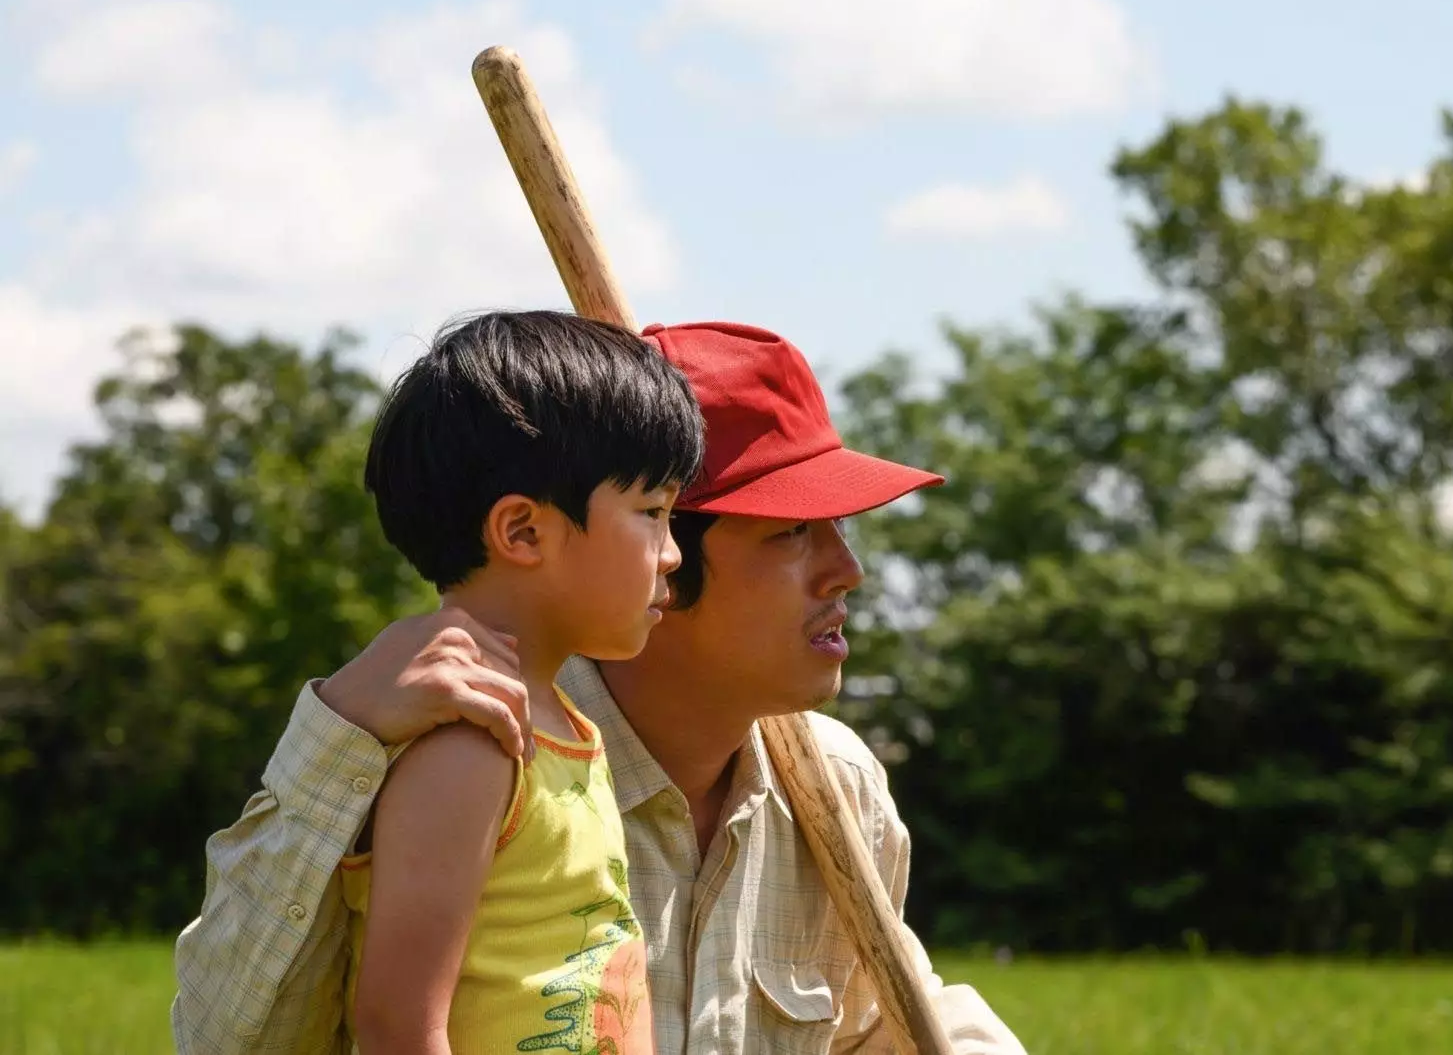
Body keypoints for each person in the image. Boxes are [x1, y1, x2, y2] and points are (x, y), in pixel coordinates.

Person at [171, 319, 1027, 1055]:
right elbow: (233, 1038)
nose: (850, 570)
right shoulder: (465, 741)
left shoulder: (836, 788)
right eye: (794, 531)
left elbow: (883, 1024)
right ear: (670, 551)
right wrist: (339, 735)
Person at [337, 309, 703, 1053]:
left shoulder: (570, 727)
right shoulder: (471, 745)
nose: (671, 554)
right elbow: (397, 1025)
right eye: (653, 513)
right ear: (524, 532)